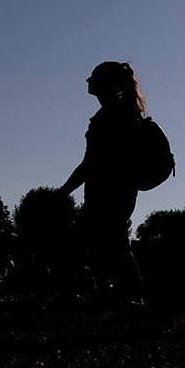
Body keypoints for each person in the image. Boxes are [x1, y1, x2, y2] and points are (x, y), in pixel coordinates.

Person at [58, 62, 148, 310]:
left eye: (93, 78)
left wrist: (63, 192)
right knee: (116, 246)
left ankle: (50, 296)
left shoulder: (111, 116)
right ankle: (134, 297)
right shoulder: (121, 113)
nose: (88, 81)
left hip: (107, 193)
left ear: (107, 84)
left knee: (78, 246)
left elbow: (90, 163)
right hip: (117, 192)